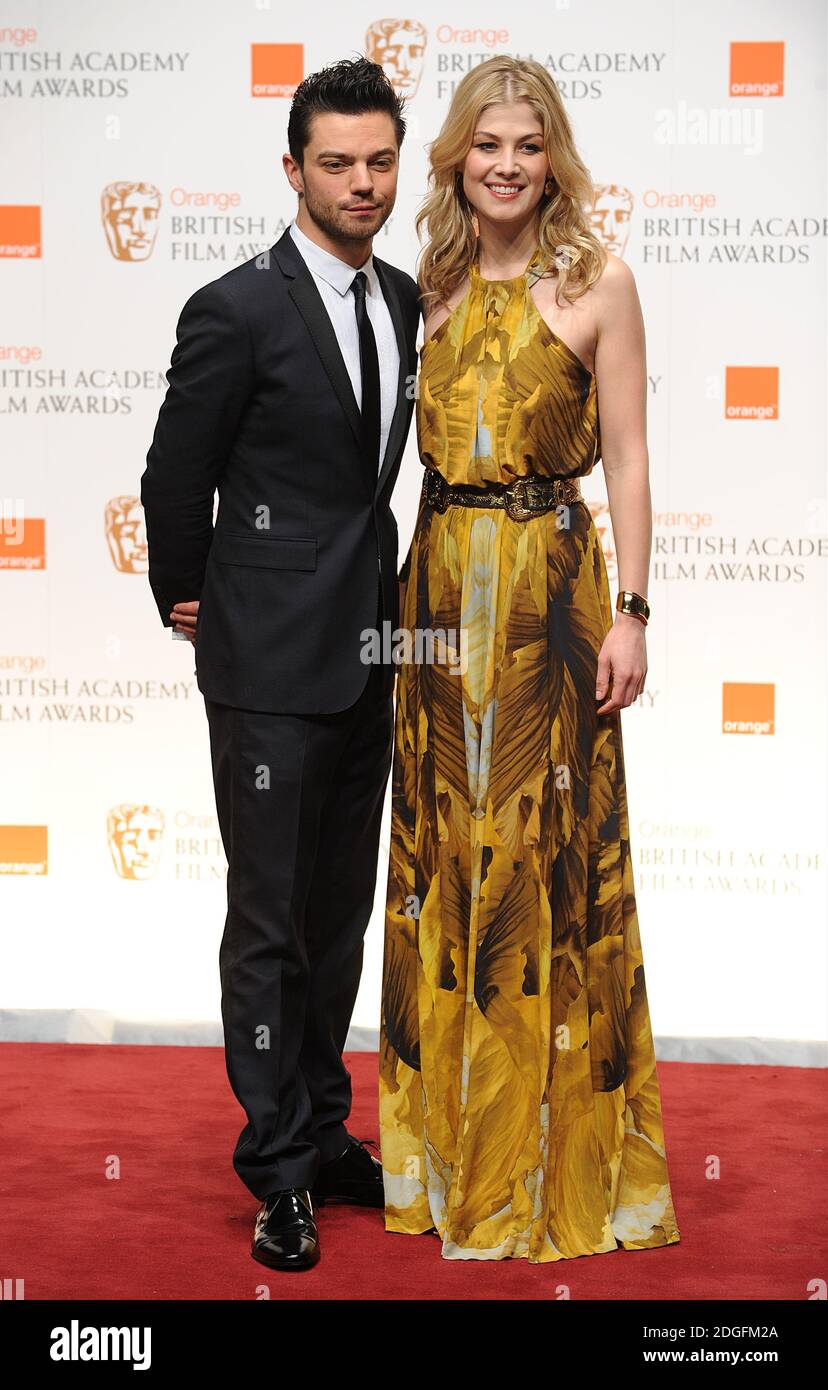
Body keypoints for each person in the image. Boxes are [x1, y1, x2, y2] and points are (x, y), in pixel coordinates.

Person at [379, 55, 682, 1263]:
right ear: (456, 157)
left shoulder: (597, 281)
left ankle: (547, 1170)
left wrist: (636, 612)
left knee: (547, 866)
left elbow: (630, 456)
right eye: (487, 143)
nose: (507, 164)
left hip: (552, 601)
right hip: (437, 593)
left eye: (529, 144)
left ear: (553, 158)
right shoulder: (431, 285)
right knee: (440, 856)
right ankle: (444, 1160)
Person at [140, 57, 420, 1272]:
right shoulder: (236, 305)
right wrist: (188, 591)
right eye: (336, 163)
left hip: (368, 651)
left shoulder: (406, 298)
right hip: (263, 668)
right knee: (269, 925)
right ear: (293, 168)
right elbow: (174, 471)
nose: (362, 183)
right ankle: (276, 1169)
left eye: (379, 161)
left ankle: (323, 1127)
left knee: (339, 917)